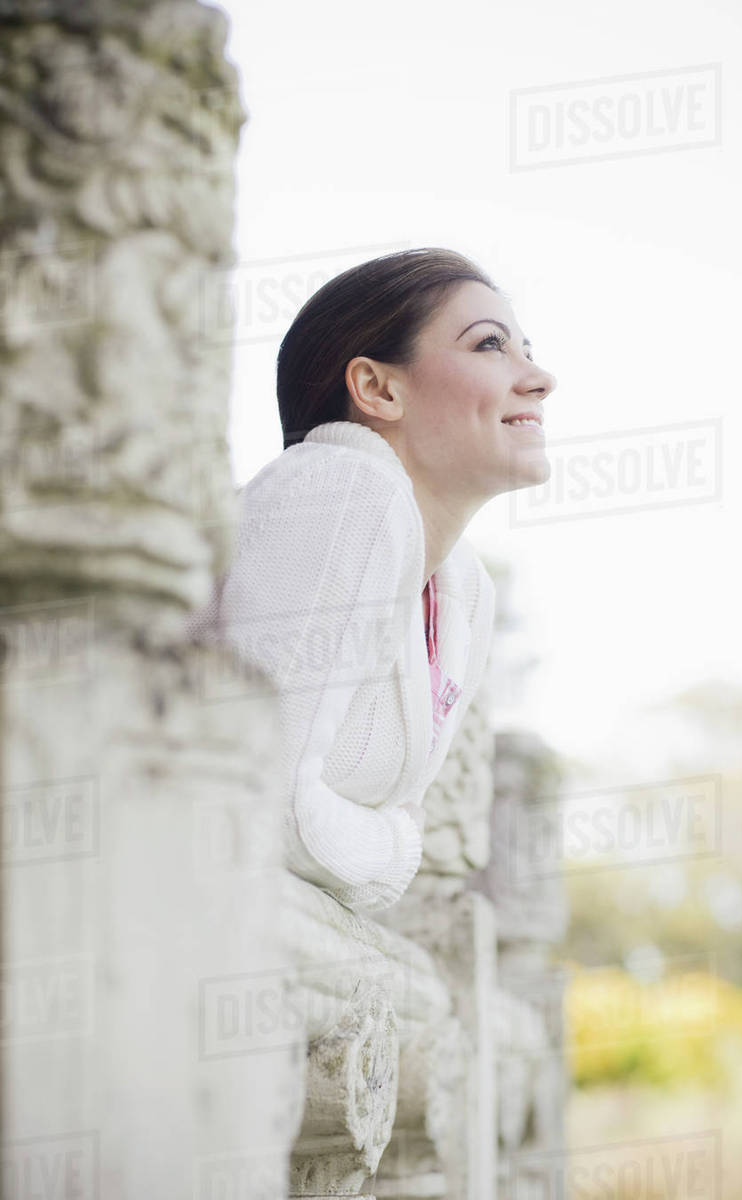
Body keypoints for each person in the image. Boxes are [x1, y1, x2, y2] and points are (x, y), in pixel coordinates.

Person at [185, 247, 556, 912]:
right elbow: (257, 800)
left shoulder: (464, 593)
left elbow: (375, 819)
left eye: (526, 348)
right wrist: (395, 854)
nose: (539, 378)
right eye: (491, 345)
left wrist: (374, 846)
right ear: (379, 389)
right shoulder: (339, 490)